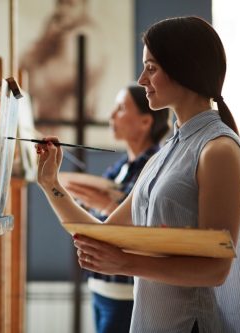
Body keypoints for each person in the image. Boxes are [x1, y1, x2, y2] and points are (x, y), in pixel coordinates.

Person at [34, 16, 240, 333]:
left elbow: (216, 269)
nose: (141, 79)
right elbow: (102, 234)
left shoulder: (218, 151)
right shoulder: (166, 153)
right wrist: (50, 184)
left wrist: (125, 263)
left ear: (183, 68)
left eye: (151, 68)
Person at [62, 84, 169, 333]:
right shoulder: (121, 166)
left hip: (125, 291)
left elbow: (147, 224)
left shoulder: (156, 165)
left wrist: (105, 205)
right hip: (102, 287)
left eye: (120, 108)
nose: (111, 116)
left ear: (145, 121)